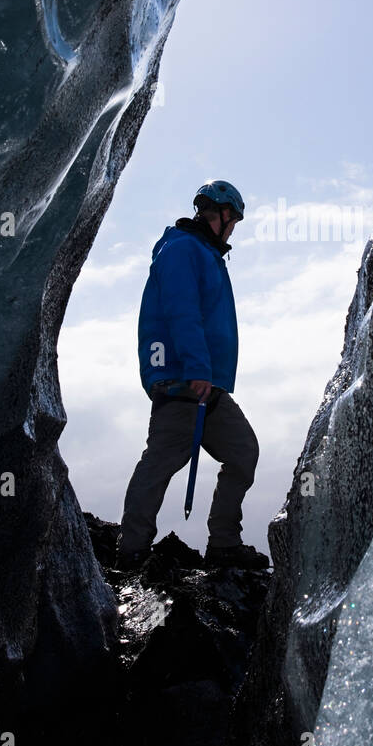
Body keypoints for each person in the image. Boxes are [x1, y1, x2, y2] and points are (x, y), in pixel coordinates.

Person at [114, 180, 268, 572]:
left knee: (241, 451)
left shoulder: (201, 251)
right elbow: (182, 311)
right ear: (219, 214)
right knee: (164, 458)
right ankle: (131, 550)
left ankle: (223, 543)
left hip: (203, 382)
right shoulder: (183, 249)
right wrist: (197, 369)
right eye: (232, 221)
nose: (233, 229)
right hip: (184, 377)